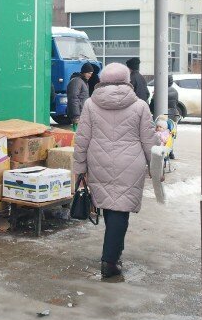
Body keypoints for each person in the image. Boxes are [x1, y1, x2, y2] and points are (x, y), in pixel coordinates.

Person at [73, 62, 159, 280]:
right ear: (126, 81)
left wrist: (79, 167)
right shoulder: (140, 106)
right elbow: (149, 140)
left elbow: (82, 139)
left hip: (99, 161)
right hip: (130, 164)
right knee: (120, 209)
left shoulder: (91, 104)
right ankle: (110, 261)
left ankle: (112, 254)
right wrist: (155, 168)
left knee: (111, 207)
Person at [67, 62, 95, 129]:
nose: (90, 75)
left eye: (91, 74)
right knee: (77, 137)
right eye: (88, 73)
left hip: (82, 114)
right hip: (78, 116)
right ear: (83, 72)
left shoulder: (84, 82)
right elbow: (73, 99)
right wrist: (76, 116)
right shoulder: (76, 81)